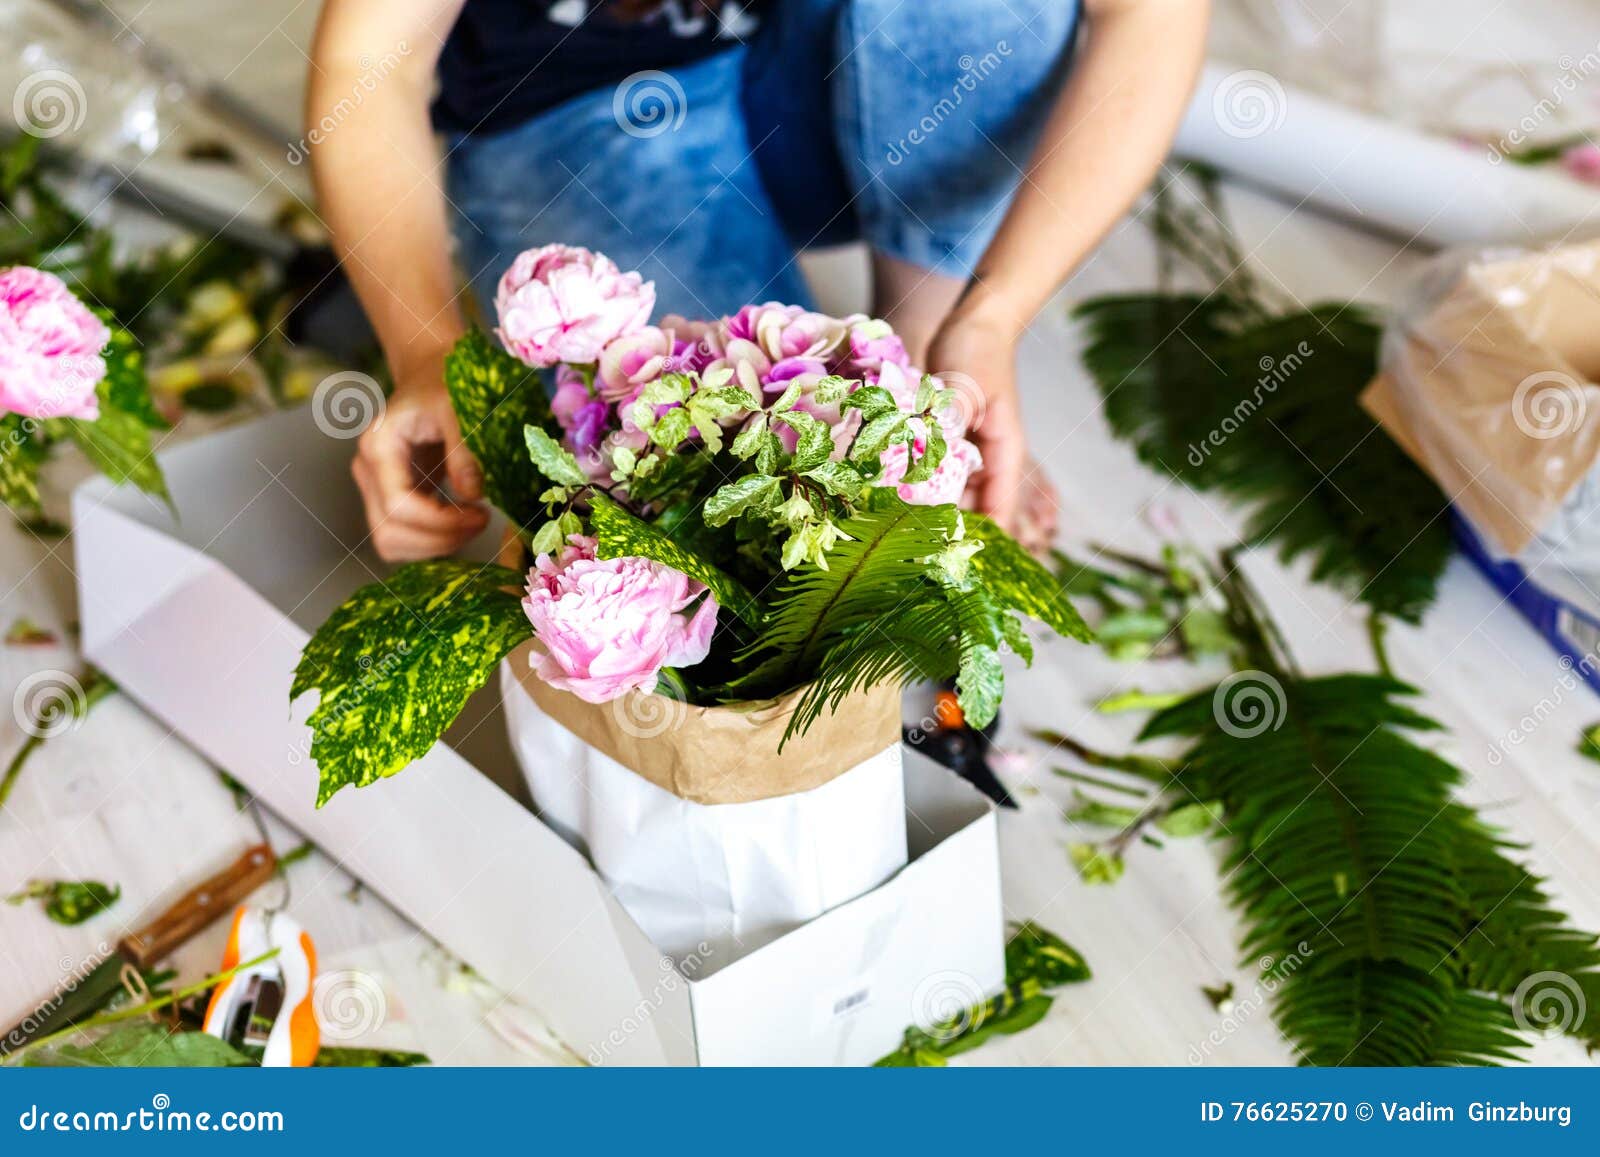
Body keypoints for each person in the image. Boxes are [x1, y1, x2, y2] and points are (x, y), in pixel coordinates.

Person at [308, 0, 1207, 561]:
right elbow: (366, 67)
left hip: (805, 50)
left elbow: (1150, 15)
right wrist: (427, 353)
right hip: (575, 95)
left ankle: (930, 374)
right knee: (706, 490)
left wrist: (993, 317)